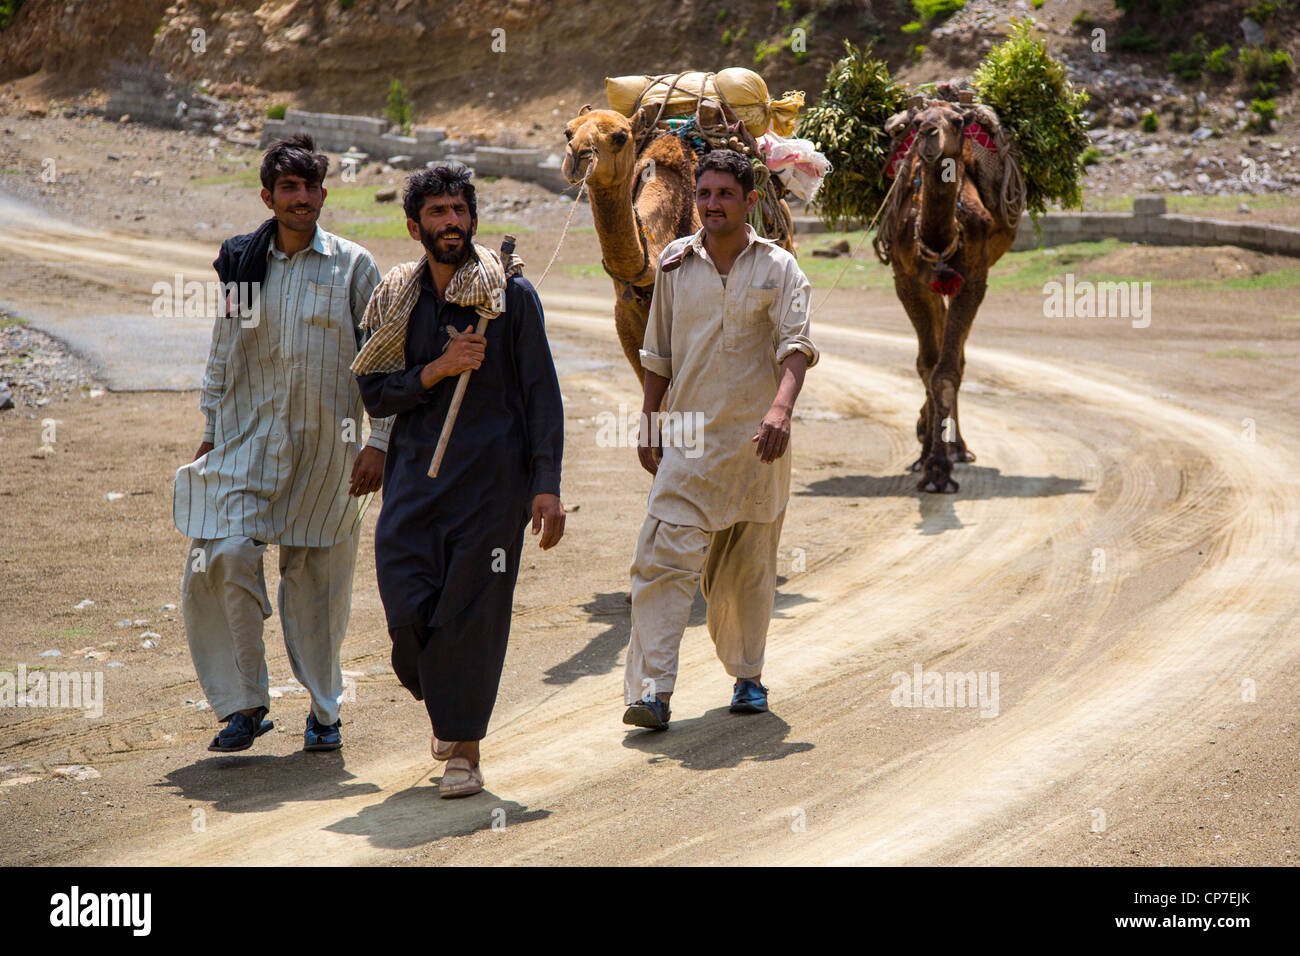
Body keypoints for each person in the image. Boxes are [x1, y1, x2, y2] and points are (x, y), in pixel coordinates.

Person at [353, 164, 566, 798]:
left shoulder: (508, 296)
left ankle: (464, 751)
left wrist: (545, 485)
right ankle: (449, 704)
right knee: (408, 612)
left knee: (471, 617)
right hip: (415, 484)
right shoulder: (396, 298)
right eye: (438, 212)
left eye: (460, 210)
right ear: (414, 224)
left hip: (491, 492)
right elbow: (374, 392)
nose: (451, 222)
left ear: (473, 218)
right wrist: (437, 369)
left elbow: (542, 397)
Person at [174, 134, 389, 754]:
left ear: (324, 193)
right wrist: (211, 432)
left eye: (310, 187)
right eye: (288, 189)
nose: (301, 199)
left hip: (329, 454)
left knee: (316, 587)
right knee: (223, 554)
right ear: (267, 196)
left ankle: (324, 712)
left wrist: (379, 441)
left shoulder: (354, 265)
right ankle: (244, 704)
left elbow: (382, 360)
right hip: (247, 444)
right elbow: (224, 351)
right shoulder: (245, 262)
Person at [622, 148, 818, 731]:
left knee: (746, 569)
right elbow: (657, 352)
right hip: (686, 442)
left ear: (749, 200)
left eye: (724, 195)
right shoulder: (675, 266)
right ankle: (651, 694)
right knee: (661, 559)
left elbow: (796, 346)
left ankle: (748, 677)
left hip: (759, 444)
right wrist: (649, 418)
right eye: (704, 194)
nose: (712, 204)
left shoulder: (780, 268)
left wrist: (780, 411)